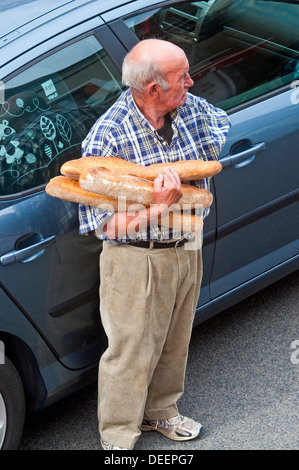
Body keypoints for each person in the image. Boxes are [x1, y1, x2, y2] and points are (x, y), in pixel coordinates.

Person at [79, 39, 231, 450]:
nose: (192, 81)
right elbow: (107, 227)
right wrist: (156, 206)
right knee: (129, 351)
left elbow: (218, 131)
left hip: (186, 247)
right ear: (152, 89)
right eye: (182, 77)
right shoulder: (106, 141)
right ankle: (119, 440)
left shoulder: (189, 107)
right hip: (135, 259)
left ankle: (161, 412)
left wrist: (190, 176)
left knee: (174, 340)